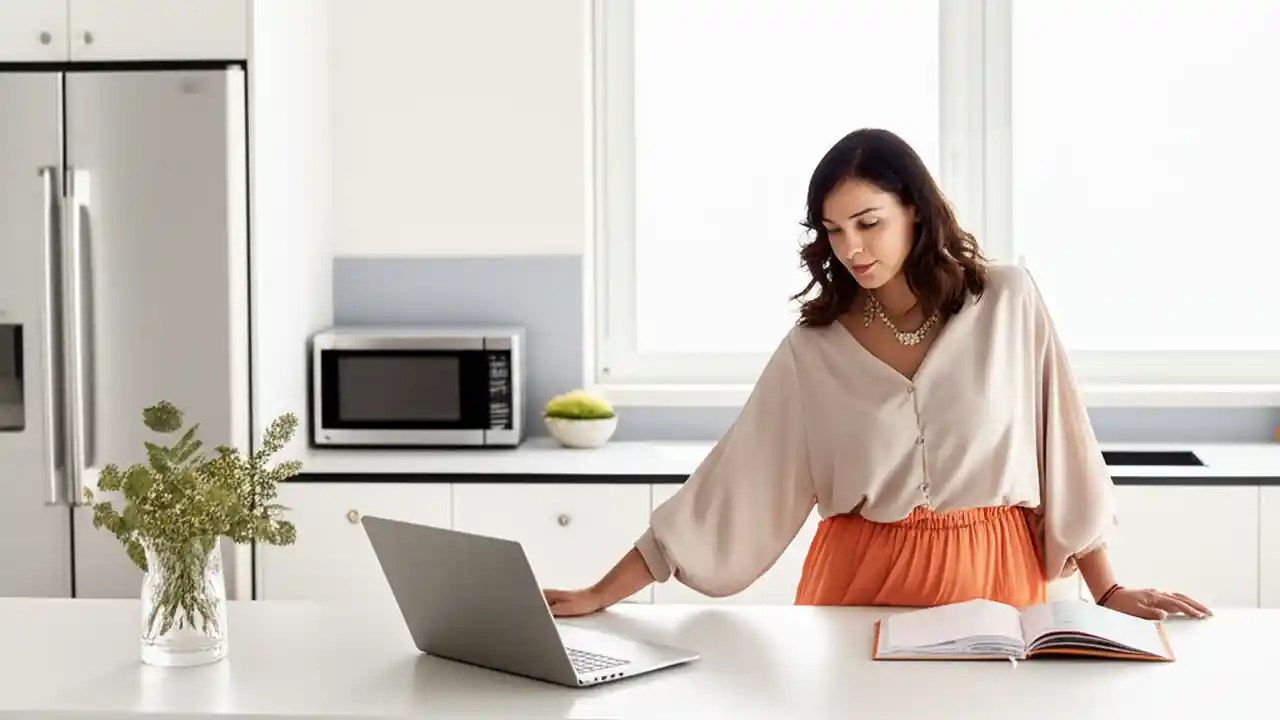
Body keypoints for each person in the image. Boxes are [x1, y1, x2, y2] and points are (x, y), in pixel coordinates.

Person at [544, 128, 1211, 622]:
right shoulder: (815, 348)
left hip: (996, 582)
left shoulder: (1007, 301)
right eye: (834, 231)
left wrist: (1109, 590)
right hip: (857, 584)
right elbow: (732, 482)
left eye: (869, 223)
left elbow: (1060, 447)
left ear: (915, 209)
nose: (852, 248)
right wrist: (604, 592)